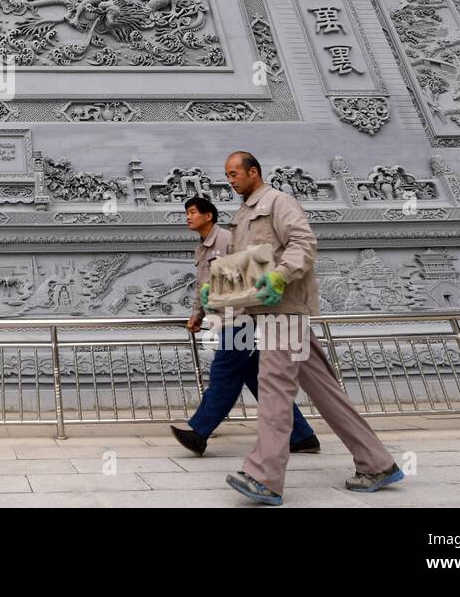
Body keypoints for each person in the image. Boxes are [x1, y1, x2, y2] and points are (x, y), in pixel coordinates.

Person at [221, 150, 404, 506]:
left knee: (273, 386)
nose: (230, 180)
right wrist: (220, 292)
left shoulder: (278, 202)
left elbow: (304, 243)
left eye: (234, 174)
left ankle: (265, 476)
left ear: (254, 172)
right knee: (326, 392)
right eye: (227, 175)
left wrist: (280, 274)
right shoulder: (243, 215)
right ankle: (377, 462)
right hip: (267, 312)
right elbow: (247, 268)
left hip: (285, 312)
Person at [170, 195, 320, 457]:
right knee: (256, 379)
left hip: (240, 318)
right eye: (187, 213)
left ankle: (199, 432)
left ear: (209, 216)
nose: (188, 217)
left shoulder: (228, 240)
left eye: (193, 212)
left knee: (223, 374)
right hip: (225, 318)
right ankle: (302, 435)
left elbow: (249, 270)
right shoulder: (202, 249)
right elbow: (202, 285)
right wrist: (197, 313)